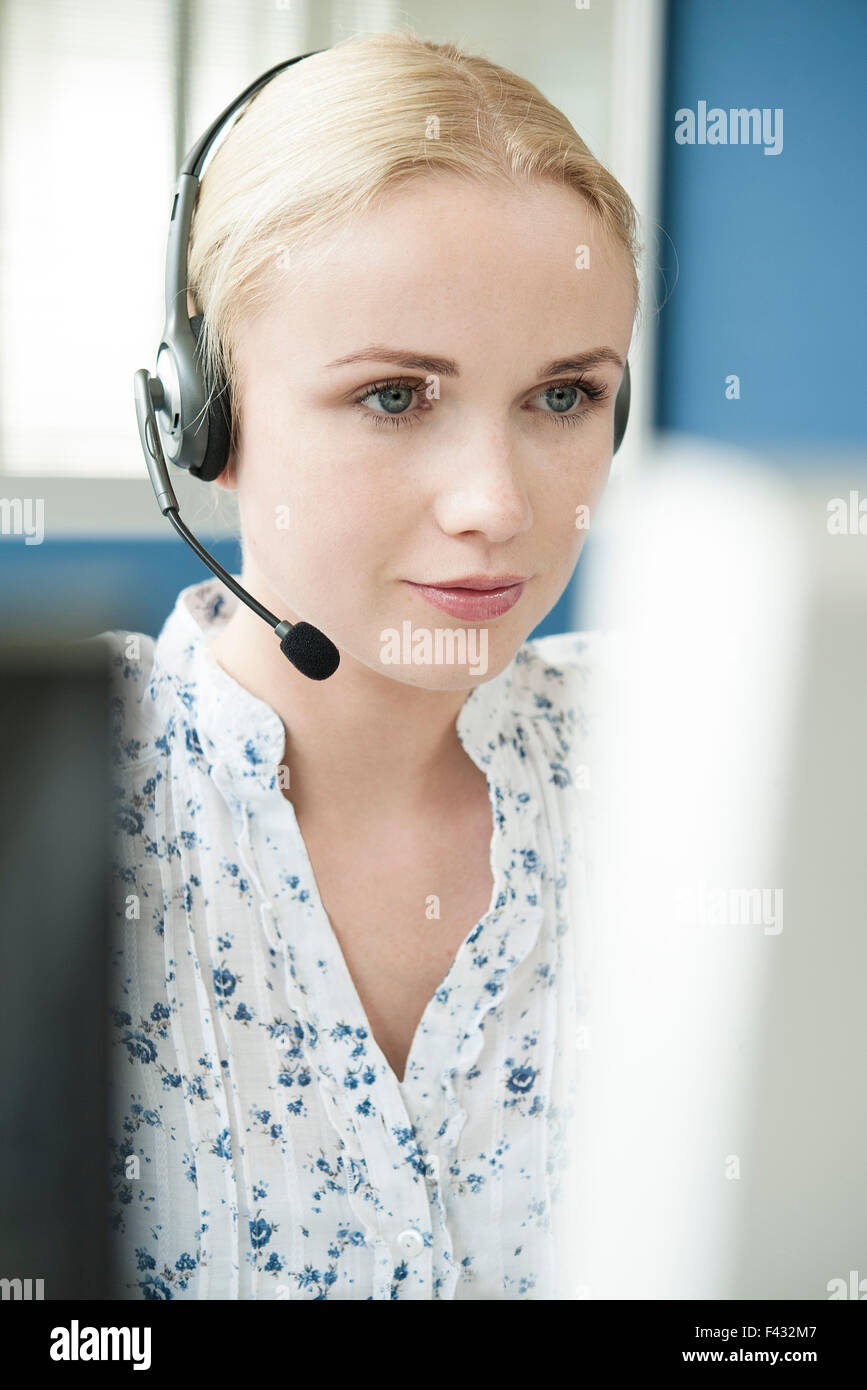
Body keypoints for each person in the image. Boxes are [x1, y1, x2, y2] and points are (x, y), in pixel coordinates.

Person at [102, 28, 639, 1300]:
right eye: (397, 396)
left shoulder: (687, 763)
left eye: (563, 396)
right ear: (205, 417)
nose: (495, 504)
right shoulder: (65, 787)